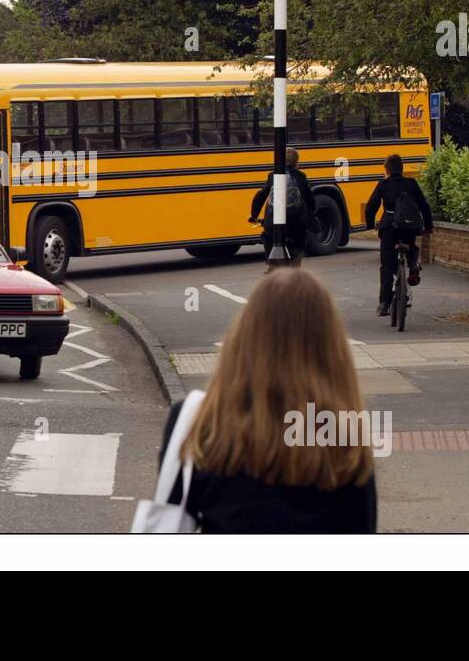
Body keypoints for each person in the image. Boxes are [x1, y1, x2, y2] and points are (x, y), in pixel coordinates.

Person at [156, 269, 378, 532]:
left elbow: (171, 515)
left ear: (243, 337)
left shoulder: (201, 421)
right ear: (330, 350)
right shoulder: (341, 436)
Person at [364, 153, 434, 316]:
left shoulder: (383, 184)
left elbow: (371, 206)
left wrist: (370, 224)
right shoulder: (411, 184)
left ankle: (384, 304)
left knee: (387, 265)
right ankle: (414, 266)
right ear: (401, 169)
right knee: (410, 246)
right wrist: (428, 227)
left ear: (387, 169)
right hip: (410, 226)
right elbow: (424, 206)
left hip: (389, 227)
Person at [248, 147, 317, 268]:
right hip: (296, 225)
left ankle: (272, 268)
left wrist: (253, 216)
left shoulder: (272, 176)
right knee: (297, 249)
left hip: (273, 225)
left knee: (269, 240)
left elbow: (260, 196)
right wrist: (311, 214)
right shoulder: (301, 176)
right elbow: (310, 200)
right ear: (297, 163)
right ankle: (295, 270)